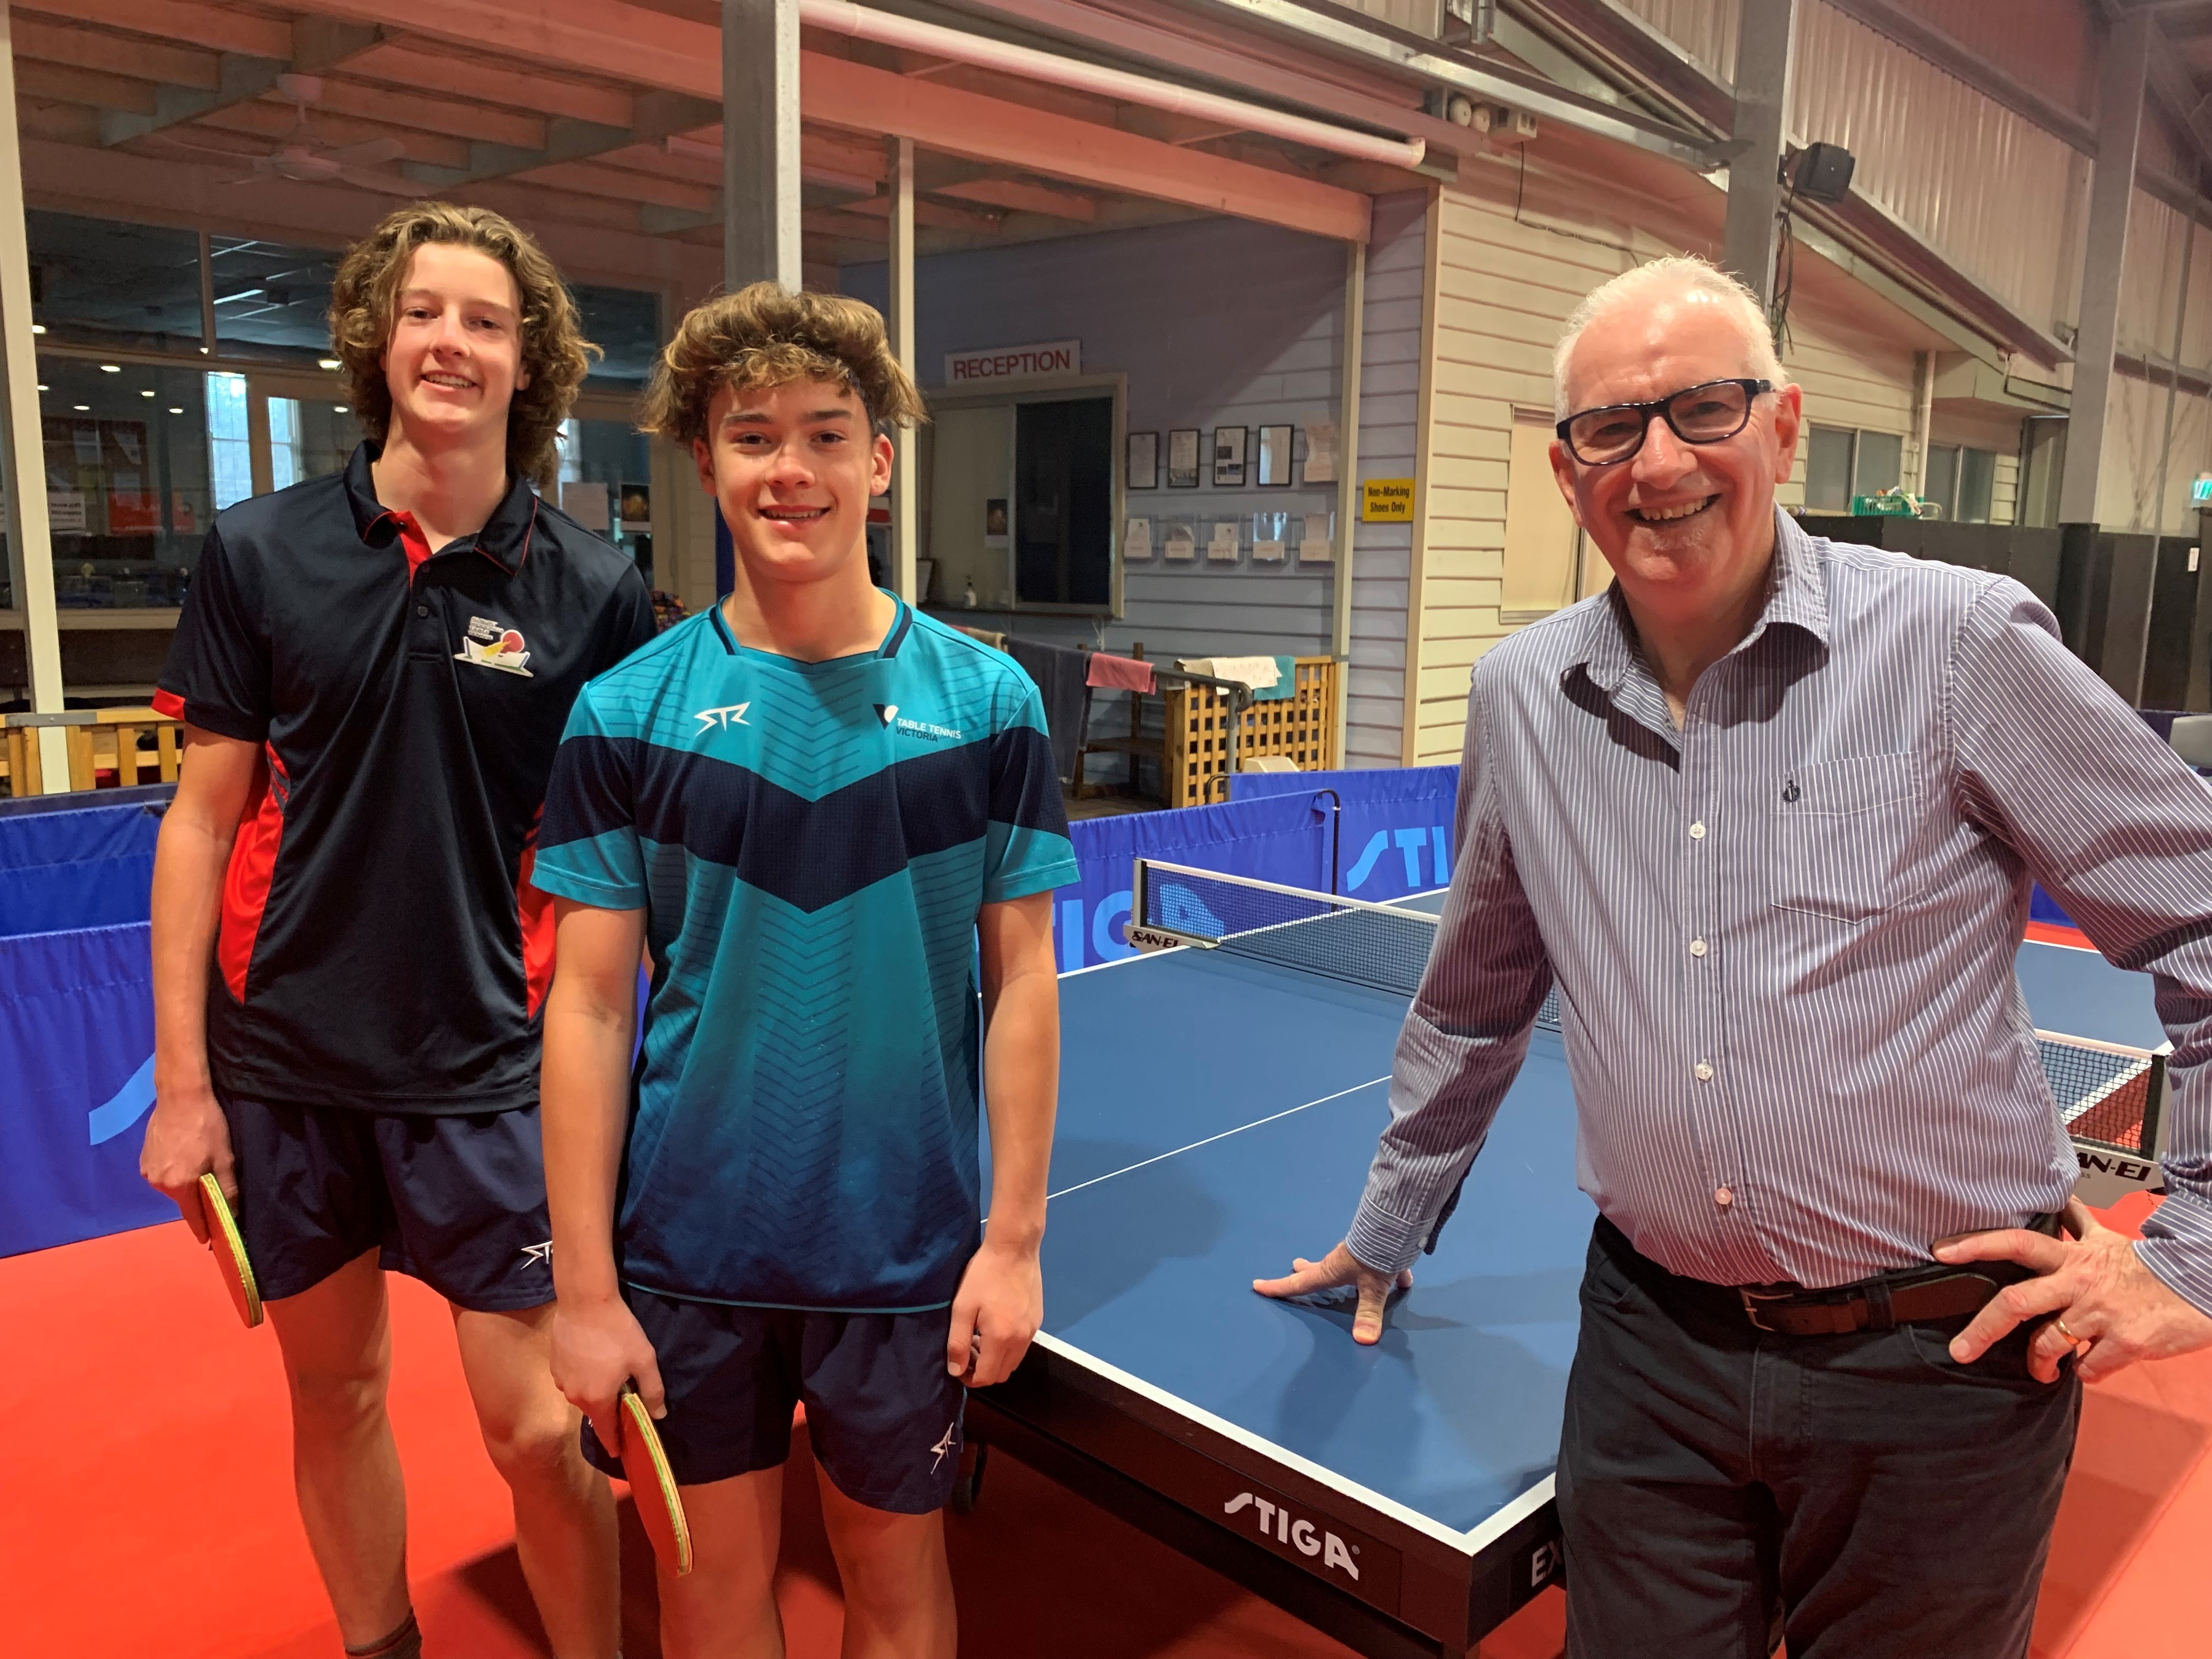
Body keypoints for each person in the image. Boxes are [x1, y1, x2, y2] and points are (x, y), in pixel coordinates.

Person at [1256, 255, 2212, 1657]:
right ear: (1563, 471)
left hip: (1941, 1371)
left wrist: (2190, 1261)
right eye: (1610, 429)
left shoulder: (1956, 645)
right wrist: (1393, 1222)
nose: (1659, 462)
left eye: (1705, 409)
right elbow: (1476, 996)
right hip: (1652, 1353)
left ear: (1783, 427)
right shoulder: (1523, 695)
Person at [139, 202, 658, 1659]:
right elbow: (198, 823)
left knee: (538, 1434)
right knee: (337, 1396)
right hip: (291, 1069)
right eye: (425, 311)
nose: (450, 341)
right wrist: (187, 1088)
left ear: (527, 362)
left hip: (494, 1069)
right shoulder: (261, 553)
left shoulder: (596, 591)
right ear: (378, 338)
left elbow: (616, 869)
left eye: (486, 320)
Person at [531, 283, 1074, 1659]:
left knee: (894, 1594)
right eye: (753, 435)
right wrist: (587, 1292)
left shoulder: (989, 704)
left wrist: (1012, 1245)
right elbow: (589, 1010)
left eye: (829, 435)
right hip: (688, 1258)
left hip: (905, 1255)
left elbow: (1020, 985)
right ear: (705, 463)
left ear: (880, 464)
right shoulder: (625, 712)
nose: (793, 470)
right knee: (709, 1592)